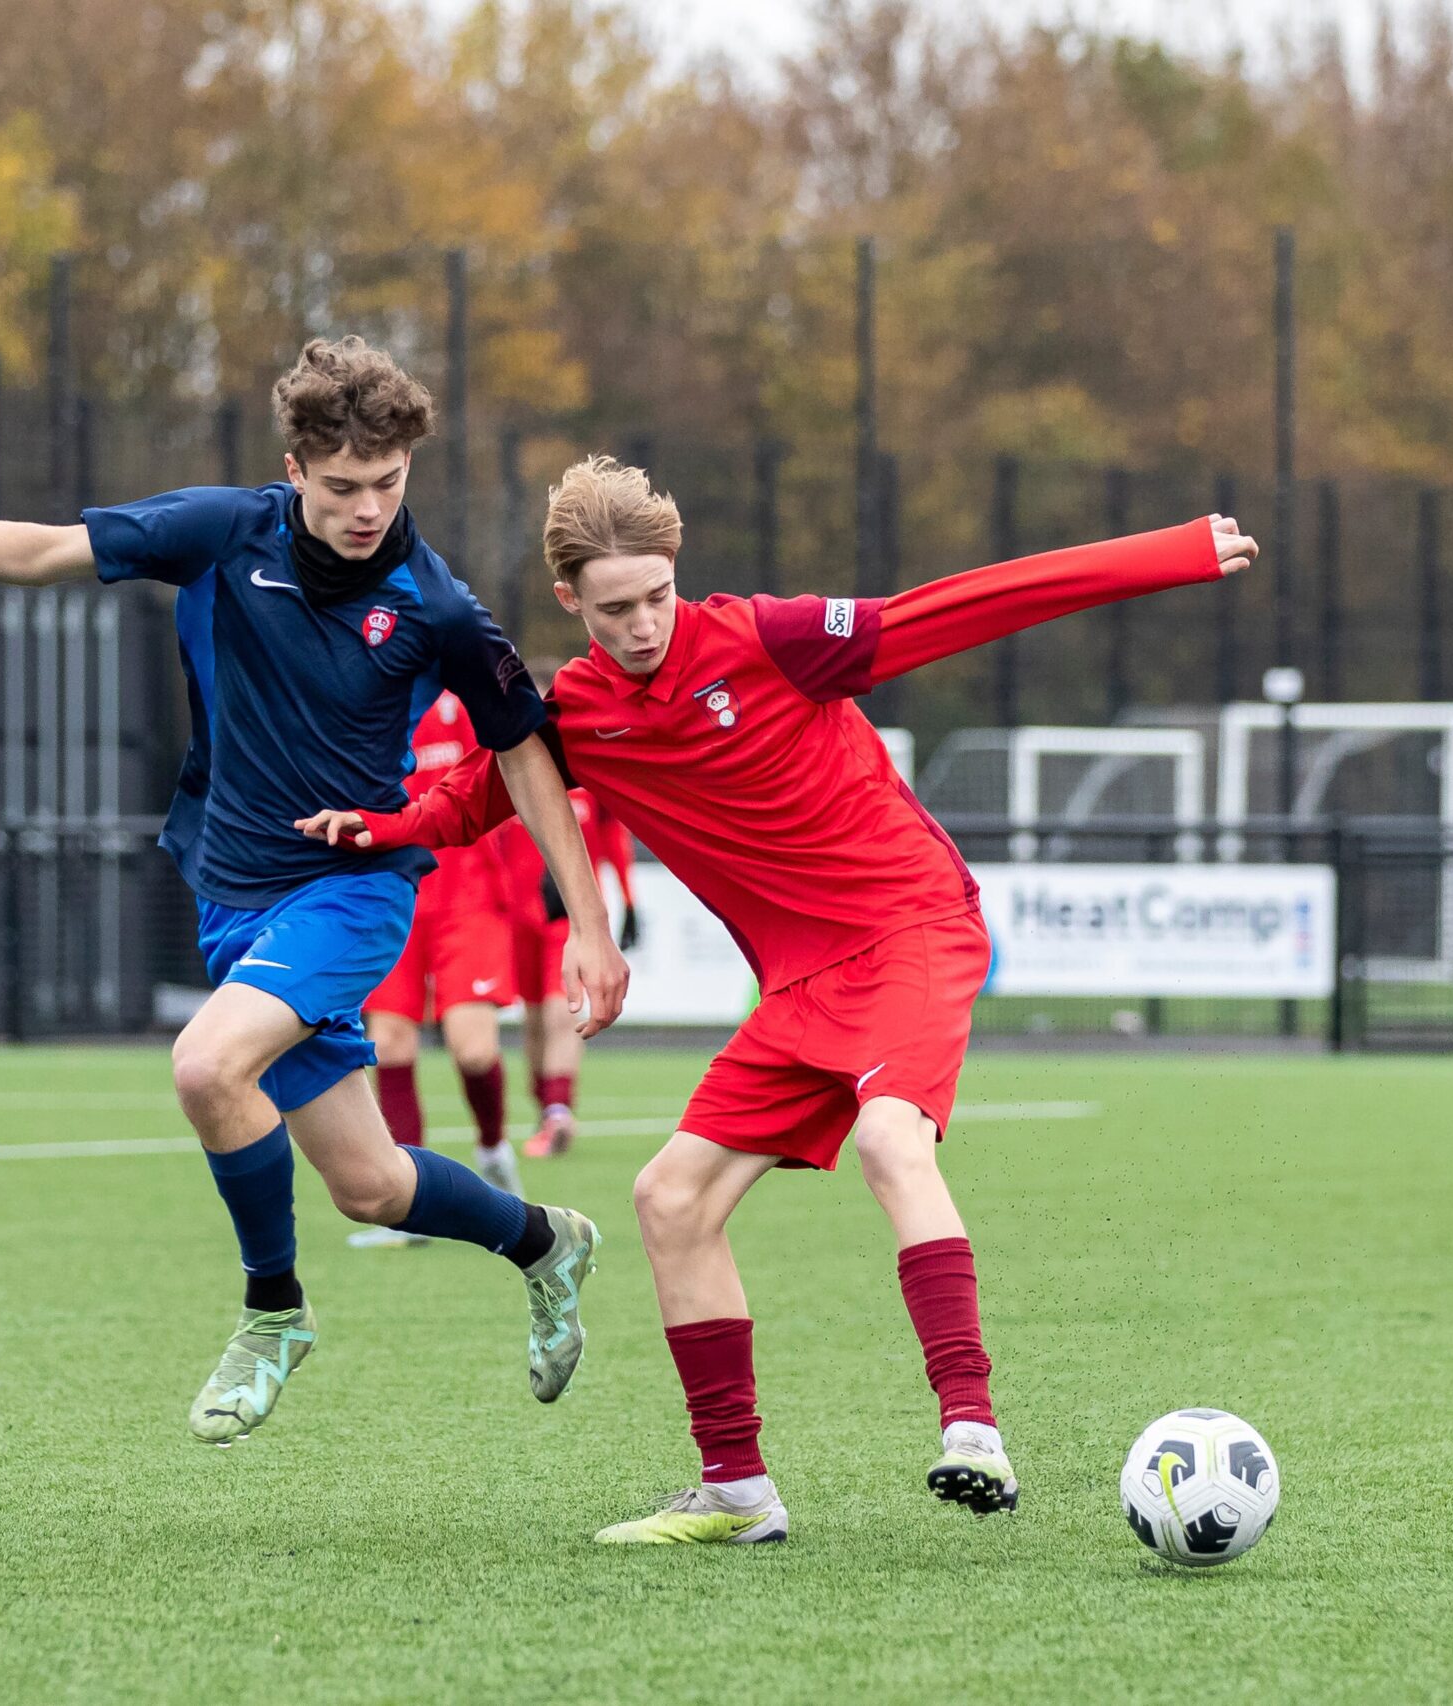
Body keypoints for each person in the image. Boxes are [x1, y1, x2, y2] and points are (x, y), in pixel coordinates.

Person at [301, 457, 1253, 1542]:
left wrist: (1168, 554)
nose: (643, 624)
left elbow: (961, 606)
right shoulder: (578, 710)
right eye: (614, 609)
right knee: (669, 1199)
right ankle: (737, 1491)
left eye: (658, 595)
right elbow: (475, 795)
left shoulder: (771, 638)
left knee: (891, 1141)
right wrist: (376, 827)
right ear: (570, 602)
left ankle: (972, 1427)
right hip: (800, 984)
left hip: (909, 927)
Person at [0, 338, 629, 1445]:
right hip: (233, 895)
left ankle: (274, 1314)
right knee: (369, 1184)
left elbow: (528, 755)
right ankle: (545, 1242)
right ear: (295, 468)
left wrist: (590, 924)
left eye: (388, 482)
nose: (368, 508)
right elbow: (52, 548)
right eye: (343, 485)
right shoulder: (223, 531)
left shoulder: (436, 604)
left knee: (208, 1066)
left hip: (353, 889)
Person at [350, 690, 524, 1251]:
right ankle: (409, 1209)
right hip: (392, 893)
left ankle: (493, 1149)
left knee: (472, 1049)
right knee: (389, 1045)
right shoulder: (362, 700)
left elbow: (515, 772)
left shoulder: (464, 698)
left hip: (467, 897)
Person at [489, 779, 635, 1158]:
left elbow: (614, 840)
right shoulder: (511, 774)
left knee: (562, 1010)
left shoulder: (590, 783)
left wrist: (628, 899)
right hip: (516, 918)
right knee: (534, 1019)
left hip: (569, 918)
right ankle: (546, 1110)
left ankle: (558, 1112)